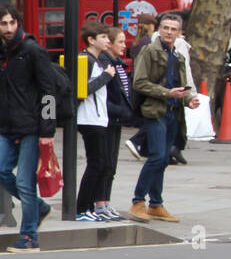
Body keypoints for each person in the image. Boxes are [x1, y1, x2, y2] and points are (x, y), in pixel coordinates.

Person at [130, 12, 200, 223]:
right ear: (159, 29)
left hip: (173, 113)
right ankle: (138, 201)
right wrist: (166, 93)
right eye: (166, 28)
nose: (169, 32)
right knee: (157, 157)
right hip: (155, 111)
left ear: (179, 33)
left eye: (173, 29)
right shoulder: (149, 51)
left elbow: (179, 85)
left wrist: (188, 99)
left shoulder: (177, 56)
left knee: (163, 161)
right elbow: (139, 82)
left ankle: (156, 204)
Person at [0, 4, 57, 252]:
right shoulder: (2, 53)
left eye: (12, 22)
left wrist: (47, 131)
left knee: (24, 182)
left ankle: (29, 236)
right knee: (1, 171)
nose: (9, 28)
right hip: (6, 126)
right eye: (4, 23)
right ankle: (40, 208)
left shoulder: (33, 51)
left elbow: (49, 92)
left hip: (32, 127)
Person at [74, 21, 120, 221]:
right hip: (89, 119)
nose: (107, 40)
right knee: (96, 164)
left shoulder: (98, 60)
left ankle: (89, 207)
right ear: (91, 40)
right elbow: (81, 90)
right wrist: (106, 77)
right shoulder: (85, 59)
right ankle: (82, 208)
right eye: (102, 37)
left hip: (99, 118)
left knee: (101, 164)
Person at [101, 25, 134, 221]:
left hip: (117, 119)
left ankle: (106, 202)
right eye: (120, 42)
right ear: (109, 44)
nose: (124, 45)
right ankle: (100, 204)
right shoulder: (107, 64)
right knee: (104, 164)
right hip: (107, 119)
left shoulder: (118, 64)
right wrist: (123, 110)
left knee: (111, 165)